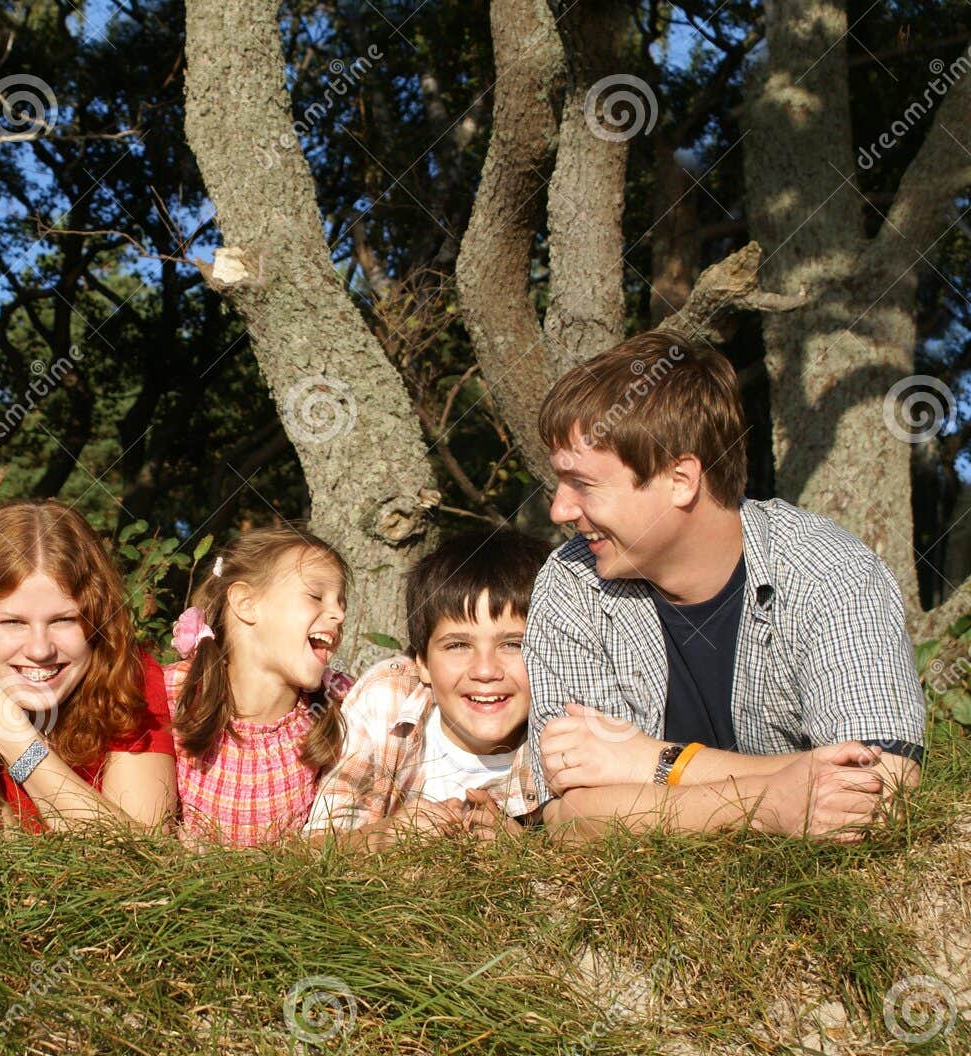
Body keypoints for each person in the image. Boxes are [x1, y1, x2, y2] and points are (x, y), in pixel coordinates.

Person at [527, 329, 925, 841]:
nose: (560, 510)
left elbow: (881, 785)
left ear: (680, 479)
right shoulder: (572, 582)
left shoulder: (827, 570)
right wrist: (767, 804)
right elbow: (570, 816)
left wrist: (656, 761)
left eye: (582, 483)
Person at [0, 500, 176, 833]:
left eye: (64, 620)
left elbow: (140, 858)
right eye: (13, 622)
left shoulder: (129, 675)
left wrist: (15, 741)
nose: (40, 649)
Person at [305, 528, 551, 851]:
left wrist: (523, 853)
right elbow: (314, 848)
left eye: (512, 644)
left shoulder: (559, 733)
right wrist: (381, 837)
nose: (486, 670)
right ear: (421, 661)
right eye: (459, 645)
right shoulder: (389, 699)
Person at [165, 527, 354, 846]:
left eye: (341, 602)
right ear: (246, 603)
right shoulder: (177, 691)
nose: (339, 614)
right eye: (316, 596)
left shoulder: (340, 700)